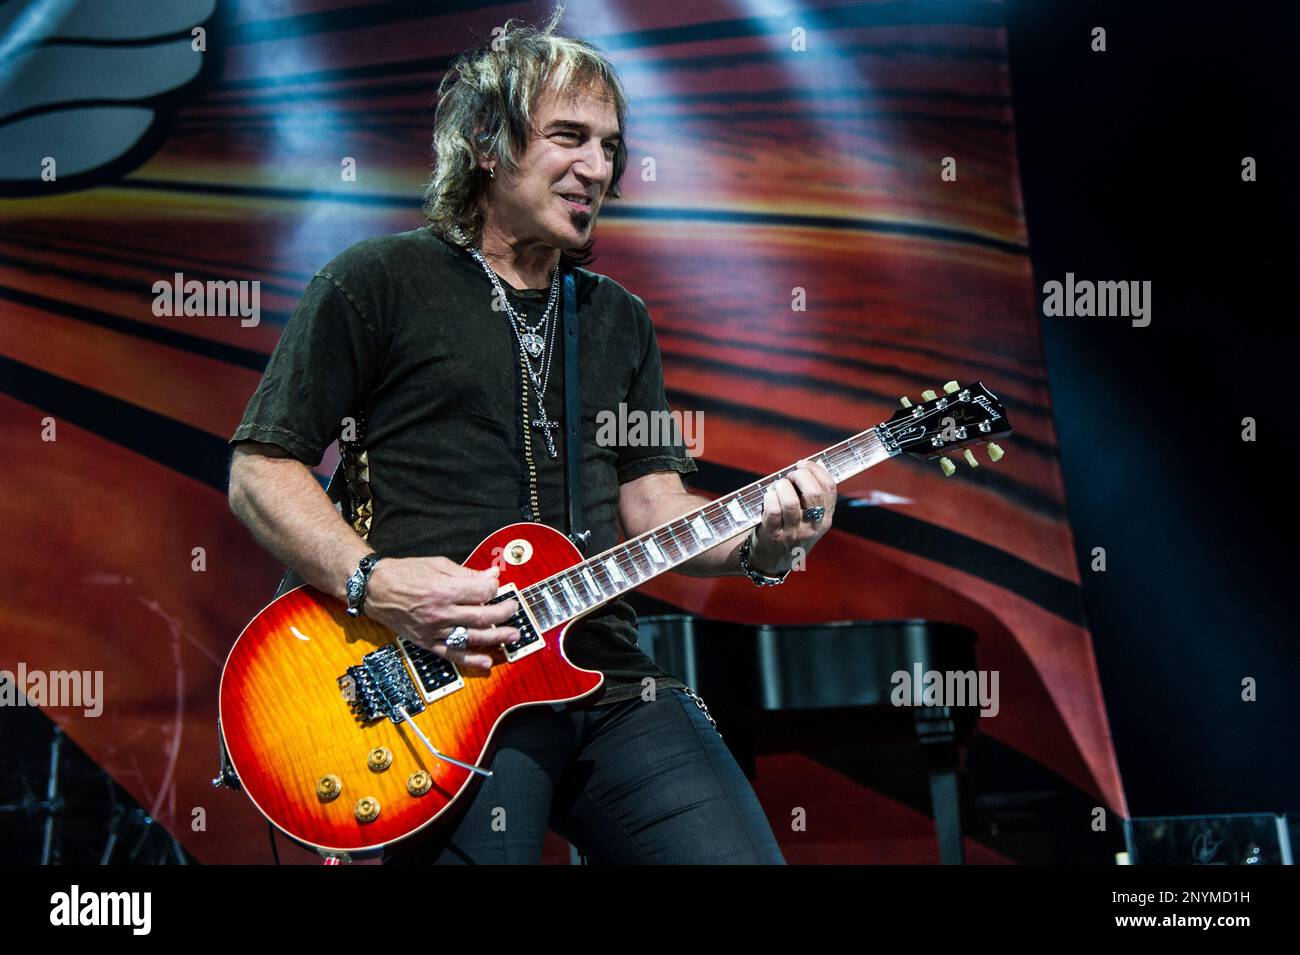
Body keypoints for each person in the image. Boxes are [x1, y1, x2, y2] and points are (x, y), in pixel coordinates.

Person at [226, 10, 837, 864]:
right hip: (436, 684)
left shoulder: (617, 318)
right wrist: (375, 580)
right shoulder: (377, 282)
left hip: (604, 675)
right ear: (486, 143)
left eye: (611, 146)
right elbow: (261, 468)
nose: (597, 167)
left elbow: (653, 505)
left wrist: (764, 541)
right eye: (568, 137)